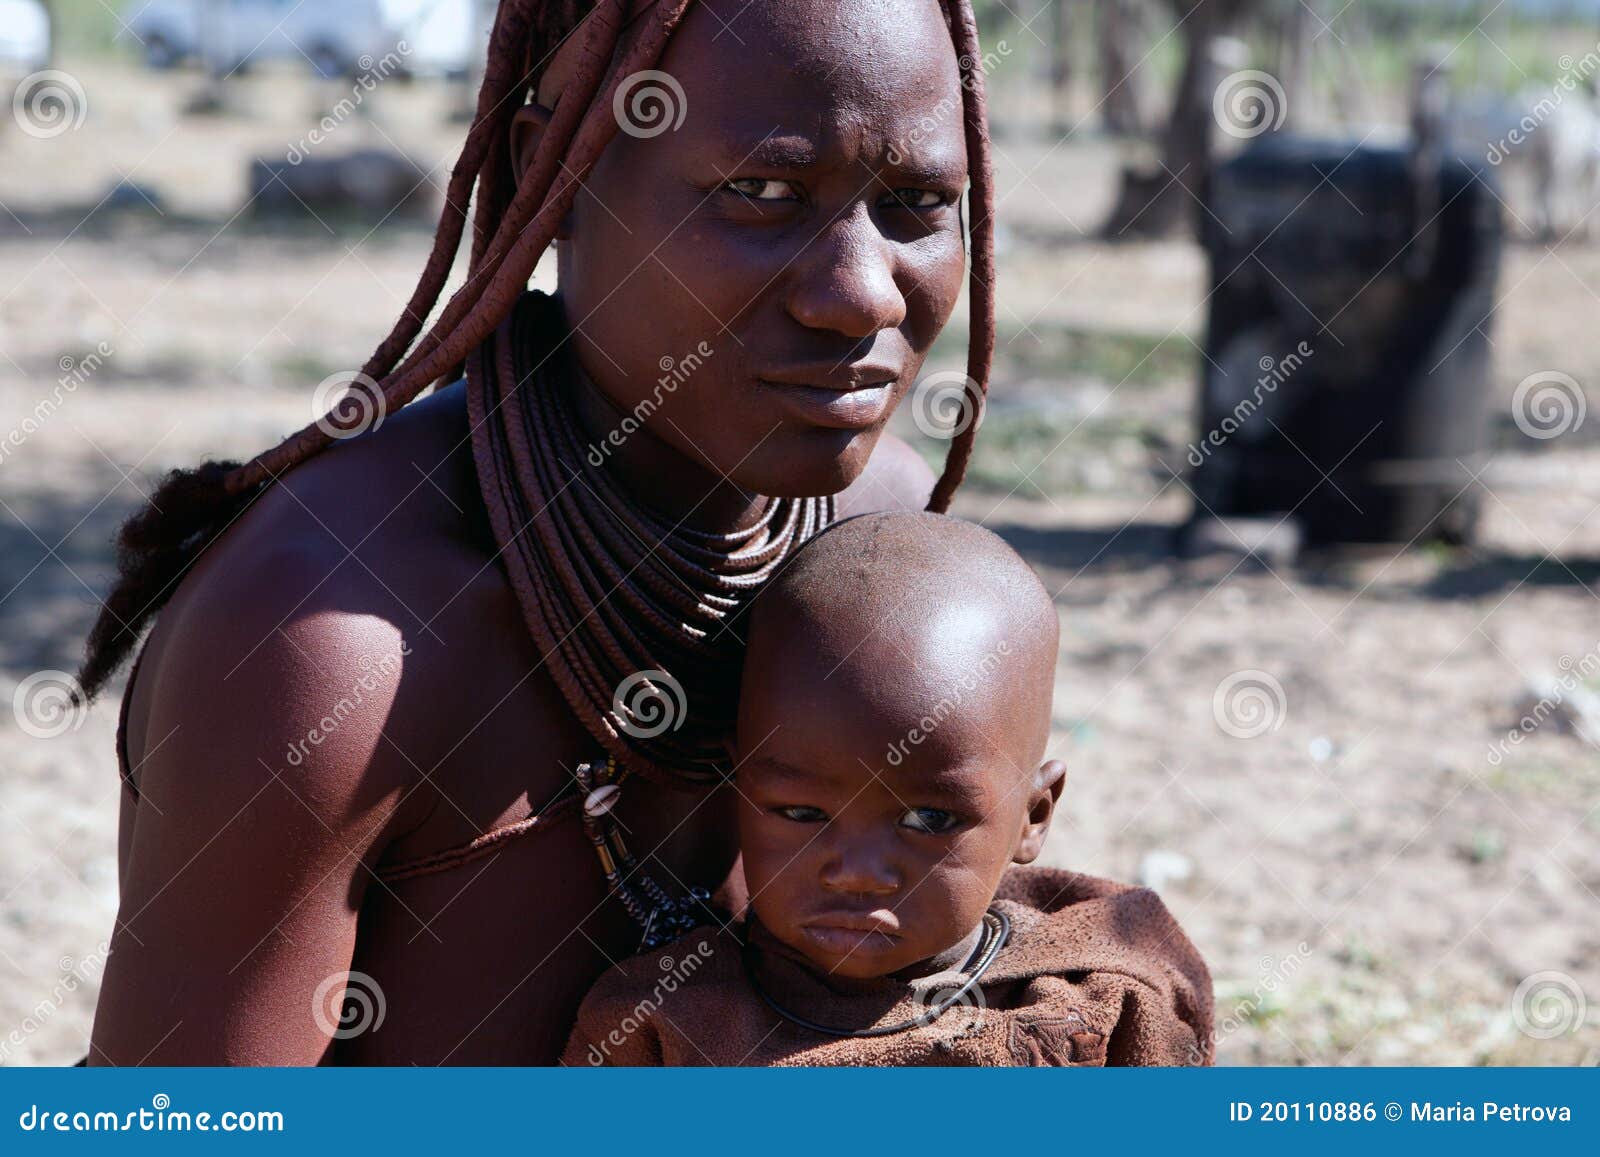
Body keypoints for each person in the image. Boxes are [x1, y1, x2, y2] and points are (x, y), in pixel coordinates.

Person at [80, 0, 998, 1064]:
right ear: (550, 177)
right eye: (760, 193)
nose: (860, 294)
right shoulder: (331, 640)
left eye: (918, 204)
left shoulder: (881, 543)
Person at [562, 512, 1214, 1066]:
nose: (859, 873)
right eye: (800, 811)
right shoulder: (667, 1022)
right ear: (738, 790)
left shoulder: (1098, 999)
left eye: (930, 818)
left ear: (1033, 814)